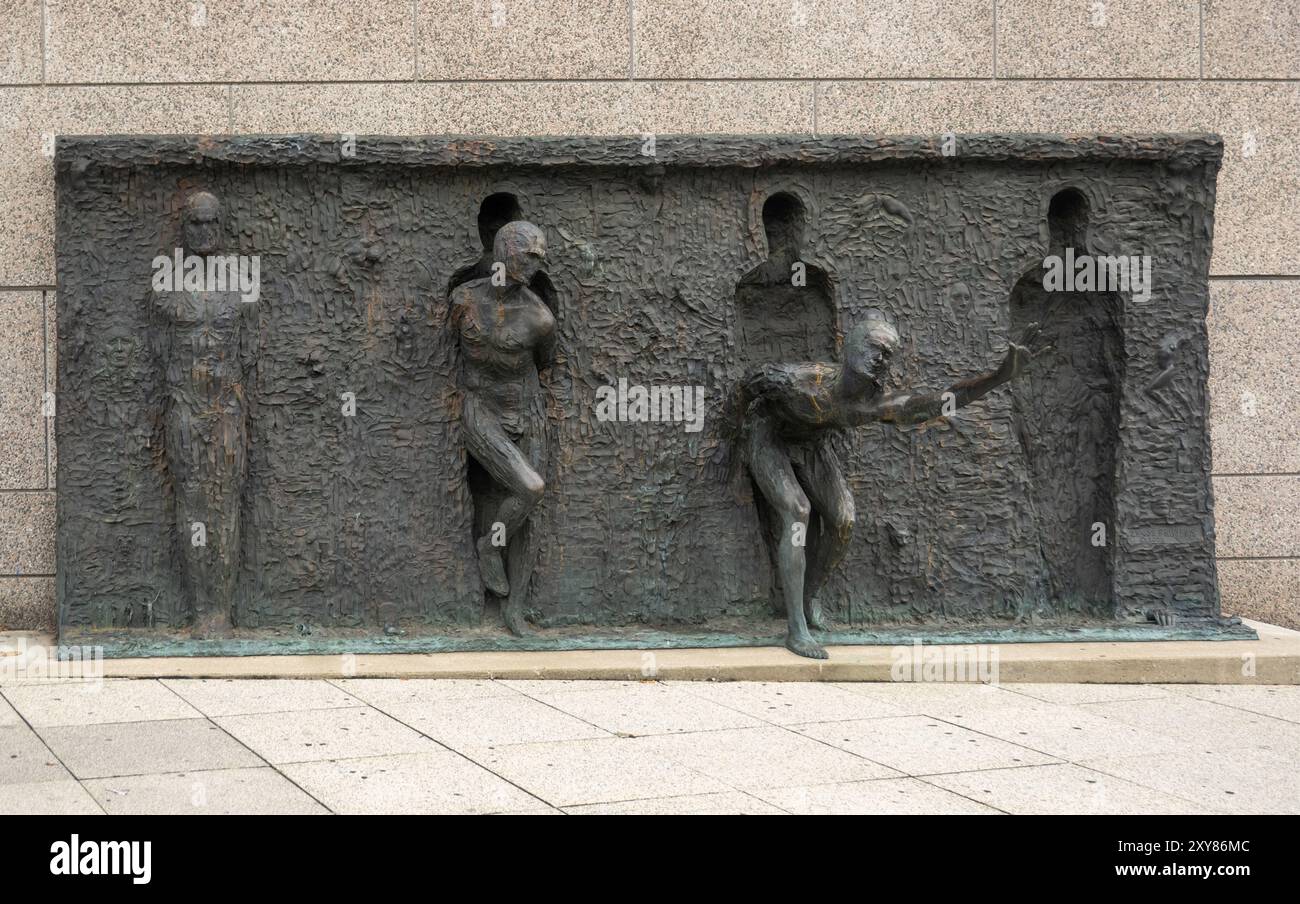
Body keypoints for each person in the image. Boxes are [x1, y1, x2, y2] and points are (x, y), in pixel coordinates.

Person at [737, 310, 1046, 658]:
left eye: (887, 354)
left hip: (812, 444)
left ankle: (807, 596)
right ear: (849, 348)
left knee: (843, 521)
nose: (880, 359)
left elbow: (934, 404)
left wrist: (998, 377)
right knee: (798, 511)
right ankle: (796, 631)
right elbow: (751, 382)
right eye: (874, 348)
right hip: (769, 436)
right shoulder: (802, 381)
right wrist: (734, 440)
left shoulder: (874, 405)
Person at [449, 221, 556, 635]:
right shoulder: (463, 300)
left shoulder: (539, 317)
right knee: (529, 488)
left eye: (540, 259)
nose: (535, 265)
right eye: (529, 256)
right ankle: (488, 546)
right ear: (505, 250)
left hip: (523, 410)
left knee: (528, 510)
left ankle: (515, 609)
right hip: (478, 408)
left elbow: (544, 364)